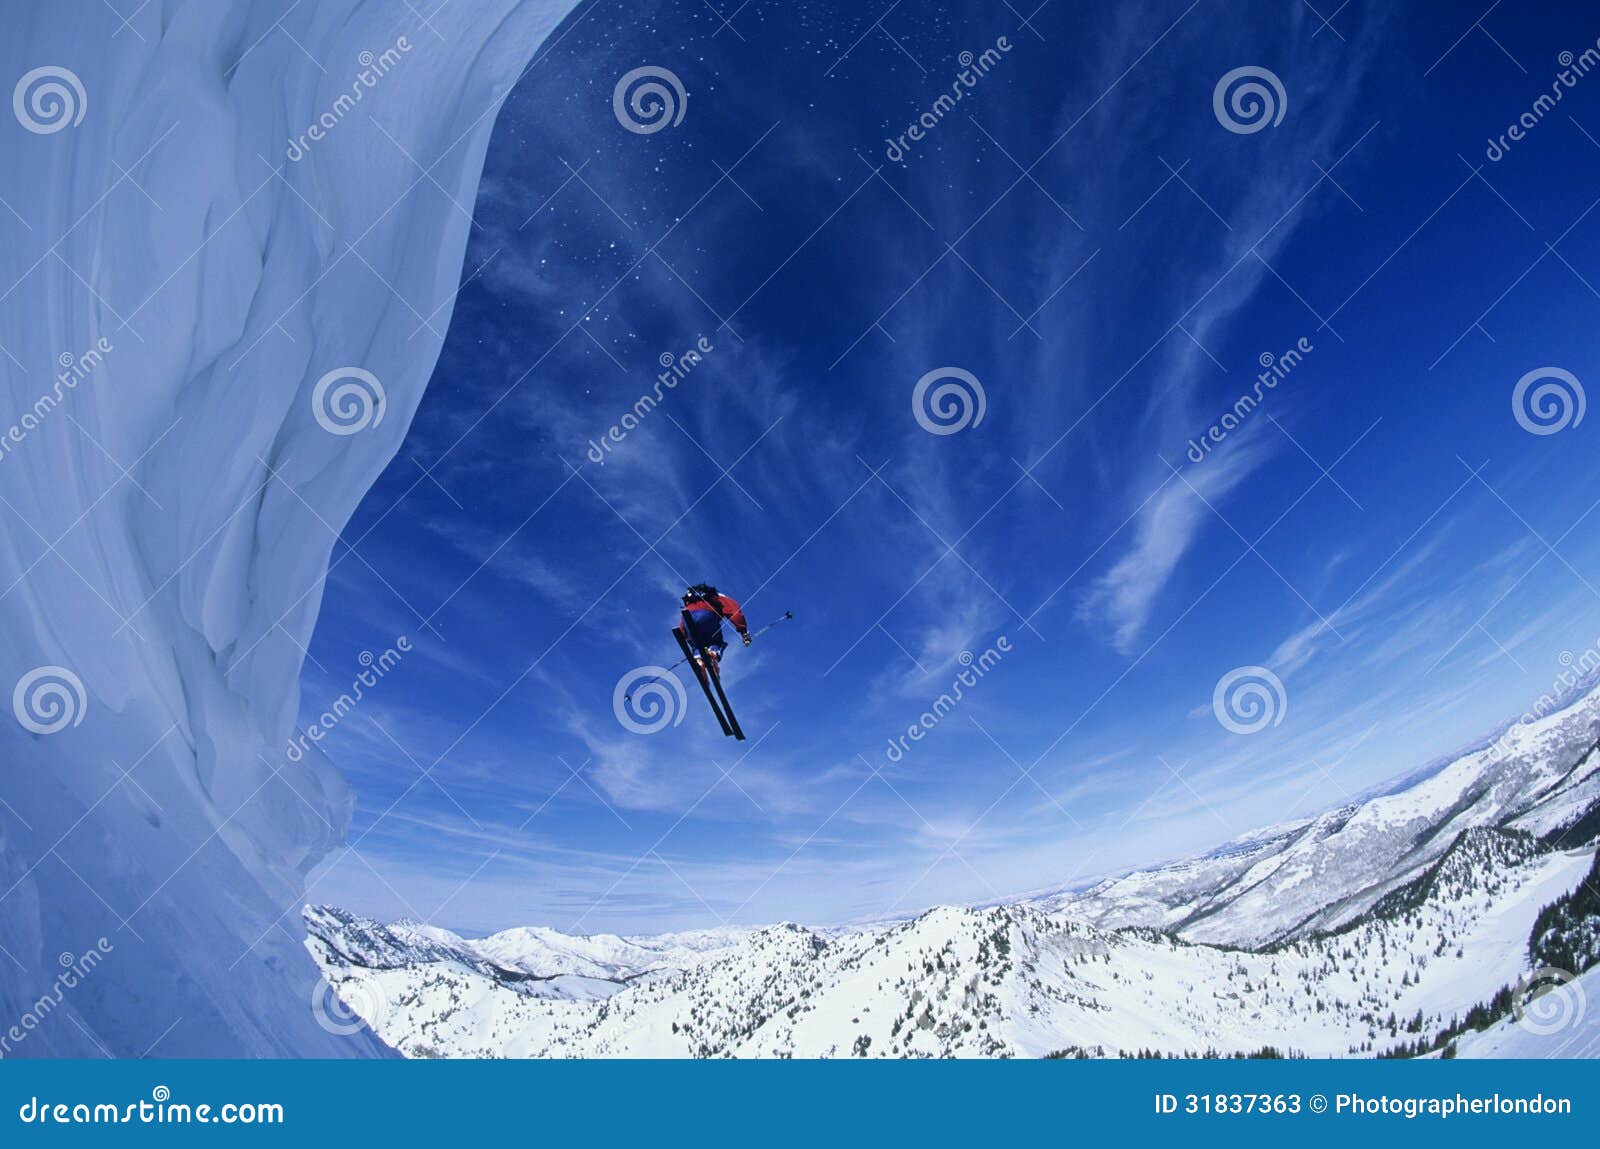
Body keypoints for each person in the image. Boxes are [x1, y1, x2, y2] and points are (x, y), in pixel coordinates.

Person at [676, 583, 749, 667]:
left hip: (687, 620)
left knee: (697, 643)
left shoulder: (690, 602)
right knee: (716, 640)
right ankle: (714, 651)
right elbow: (735, 612)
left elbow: (683, 623)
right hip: (706, 616)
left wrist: (685, 636)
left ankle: (698, 658)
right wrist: (744, 632)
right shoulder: (718, 597)